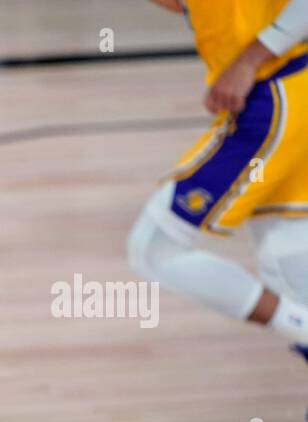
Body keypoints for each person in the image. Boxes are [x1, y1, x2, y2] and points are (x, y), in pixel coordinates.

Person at [129, 0, 308, 367]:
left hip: (276, 95)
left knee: (156, 248)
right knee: (291, 271)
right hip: (285, 92)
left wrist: (248, 60)